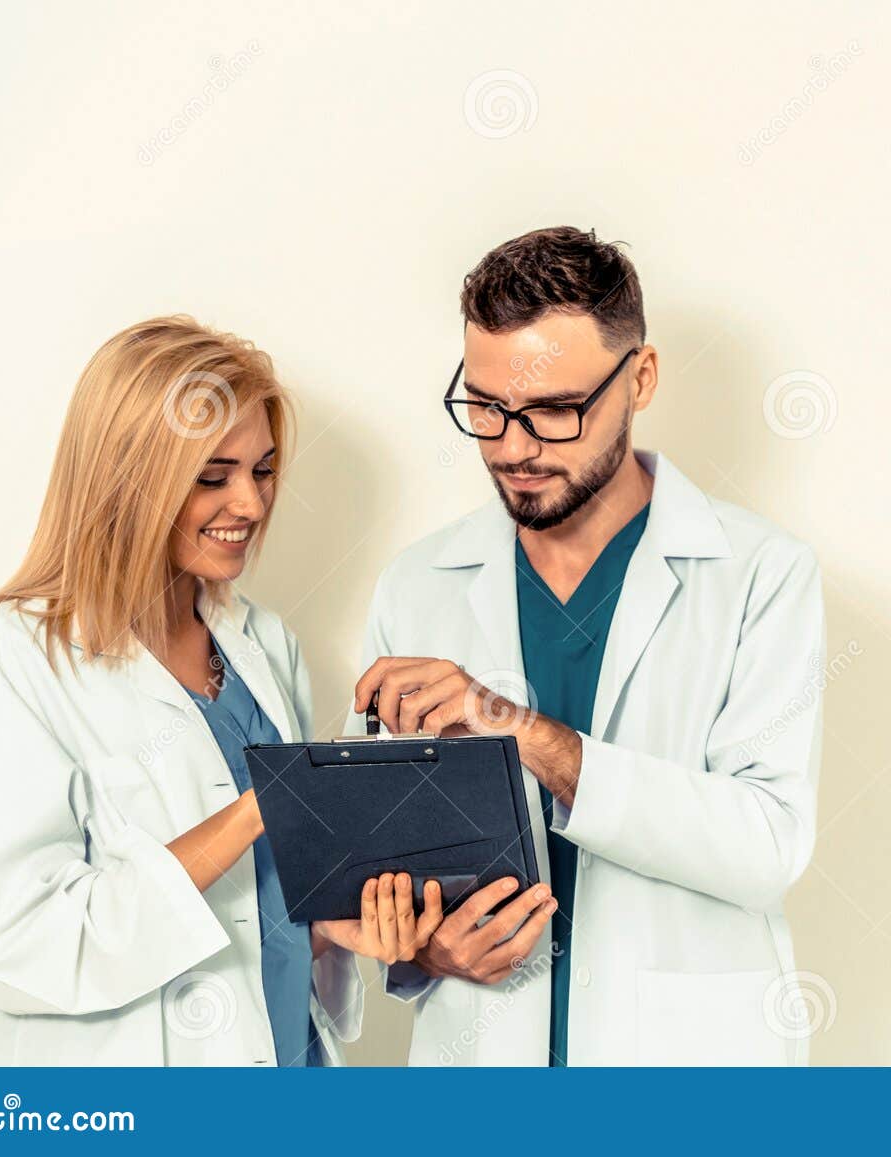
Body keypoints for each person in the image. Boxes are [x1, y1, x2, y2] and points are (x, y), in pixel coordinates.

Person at [353, 227, 826, 1065]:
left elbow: (767, 845)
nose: (512, 447)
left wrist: (523, 732)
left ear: (640, 378)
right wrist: (426, 951)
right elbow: (382, 865)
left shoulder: (761, 575)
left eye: (553, 411)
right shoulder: (418, 581)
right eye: (486, 407)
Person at [0, 316, 438, 1065]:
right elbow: (15, 942)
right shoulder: (10, 656)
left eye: (263, 470)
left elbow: (259, 899)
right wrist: (253, 811)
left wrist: (331, 928)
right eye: (213, 475)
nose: (252, 503)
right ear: (126, 476)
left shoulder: (264, 645)